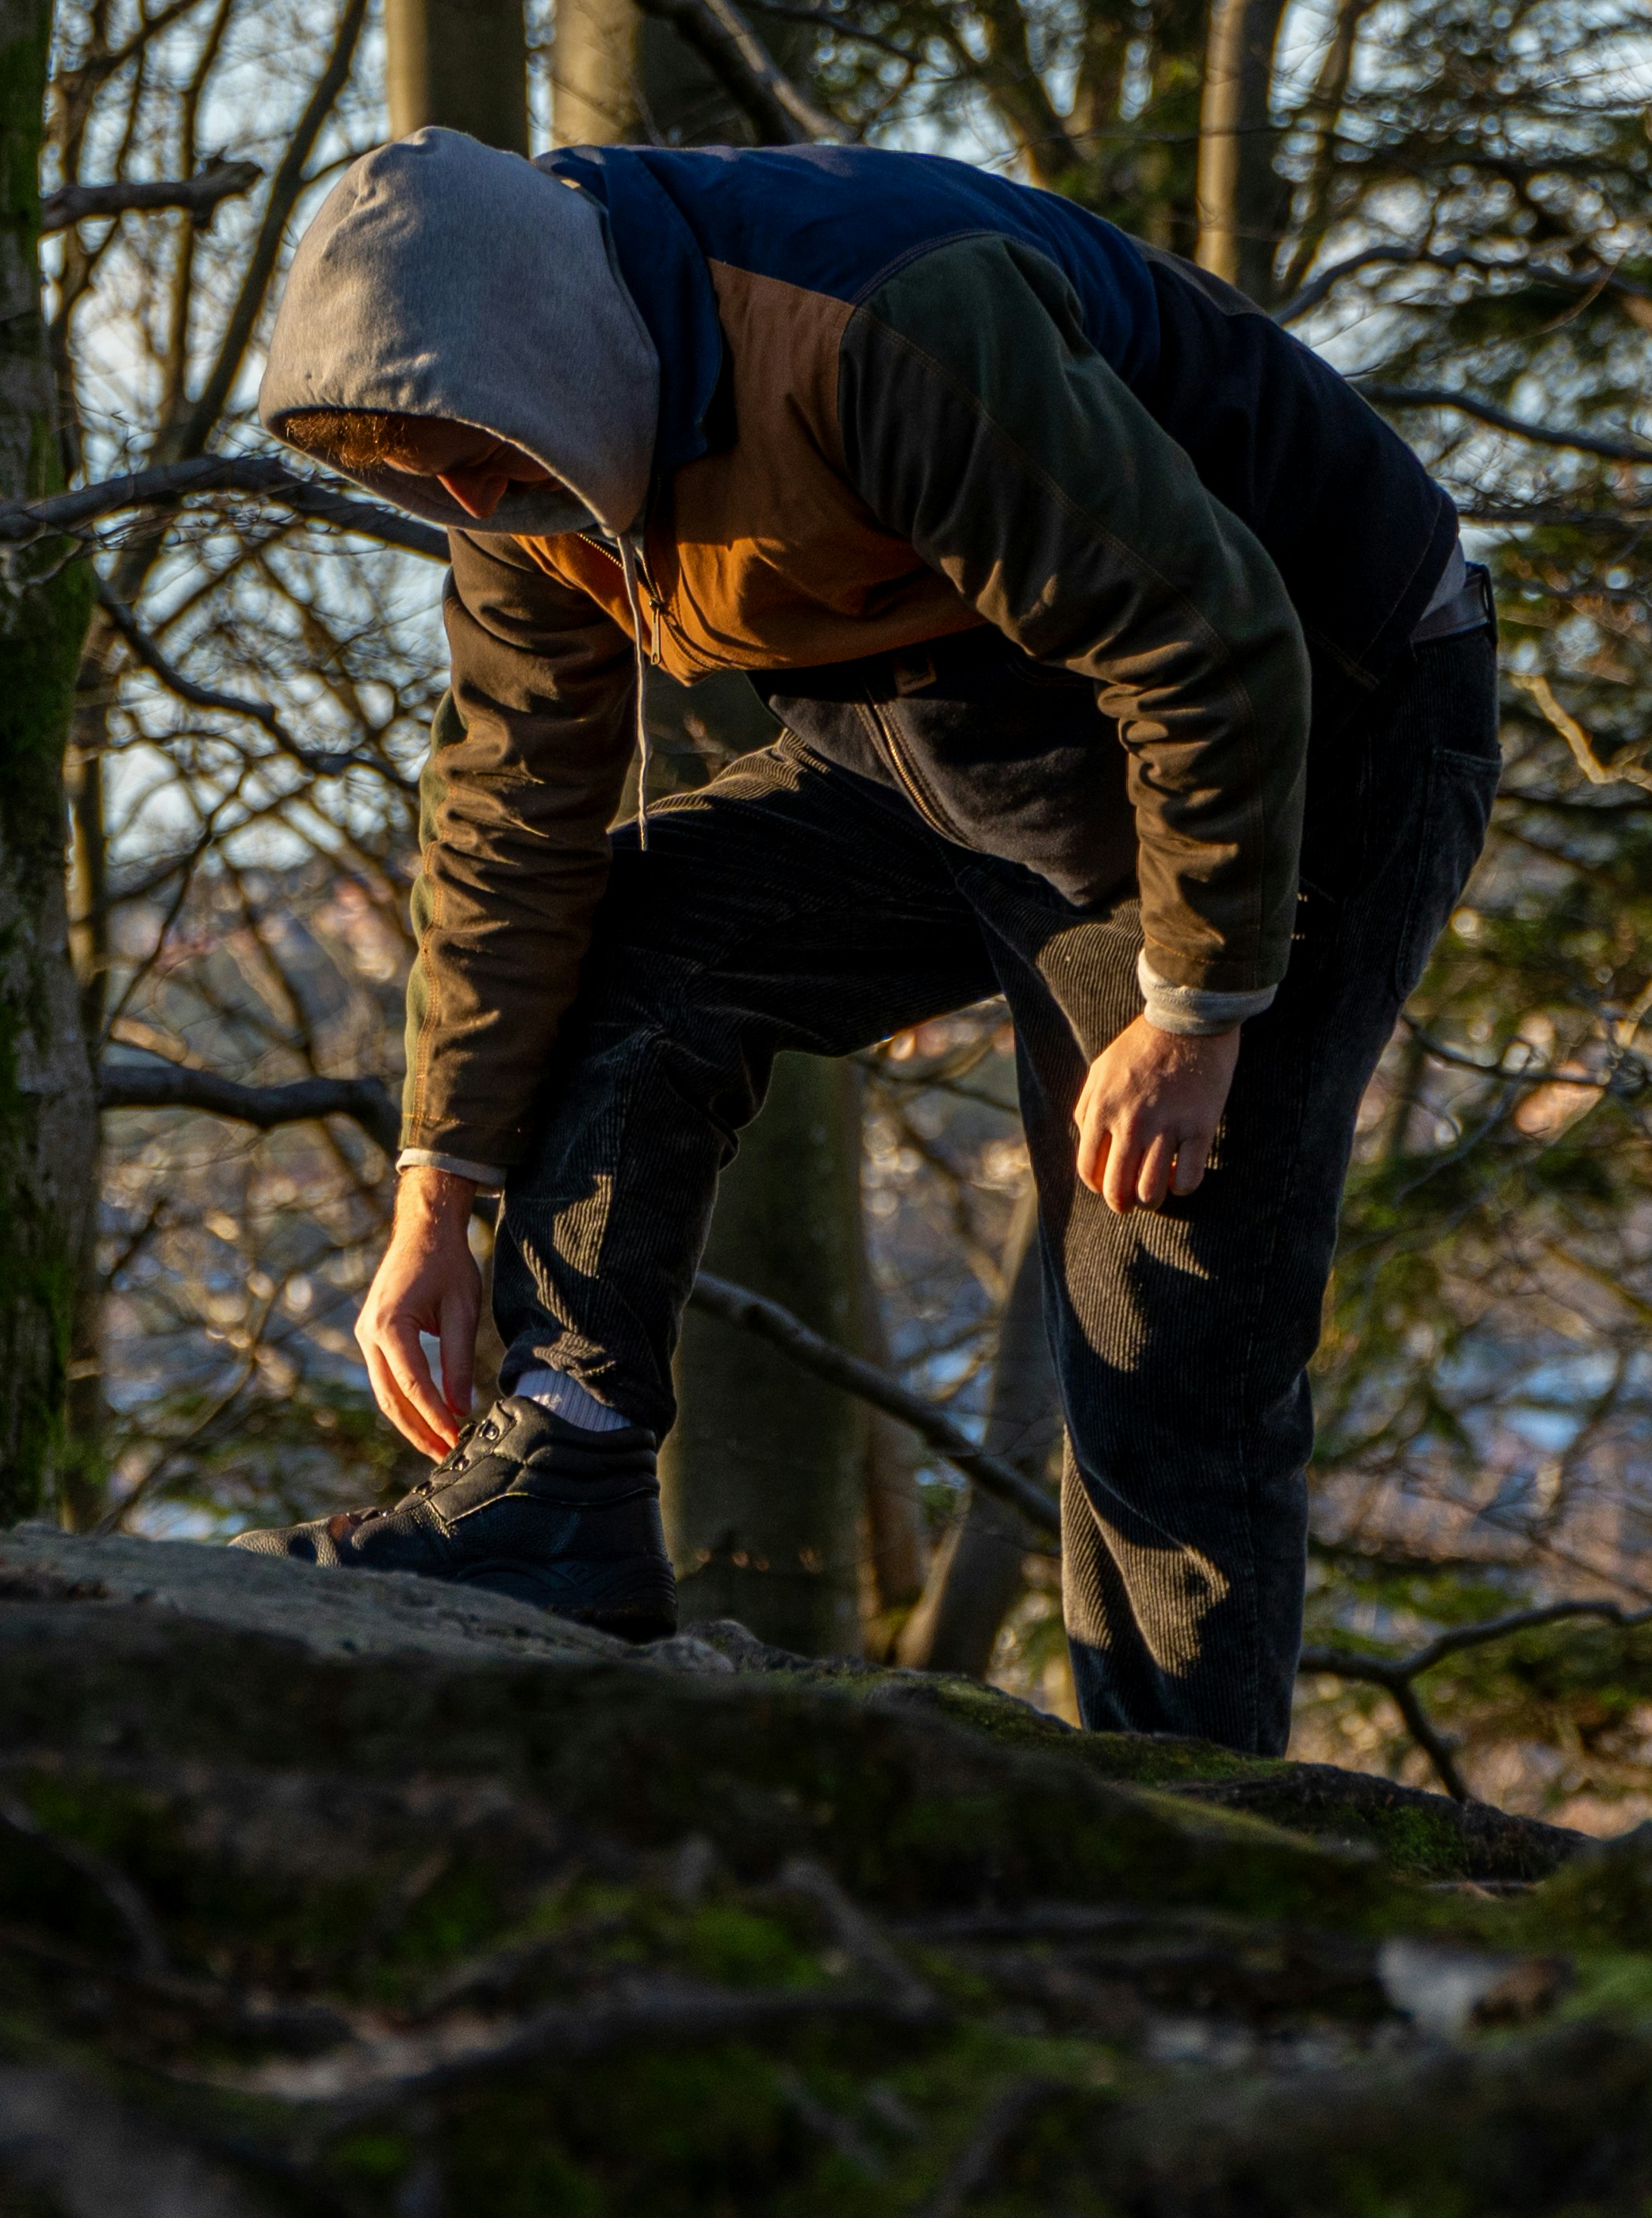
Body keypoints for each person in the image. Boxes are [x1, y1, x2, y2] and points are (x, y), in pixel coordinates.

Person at [232, 129, 1493, 1754]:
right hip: (934, 732)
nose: (472, 500)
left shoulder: (884, 323)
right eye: (427, 478)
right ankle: (561, 1478)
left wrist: (1196, 1007)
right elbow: (508, 810)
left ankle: (1178, 1811)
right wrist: (439, 1184)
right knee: (641, 943)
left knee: (1159, 1310)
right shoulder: (511, 457)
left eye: (477, 456)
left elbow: (1208, 646)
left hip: (1303, 725)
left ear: (555, 350)